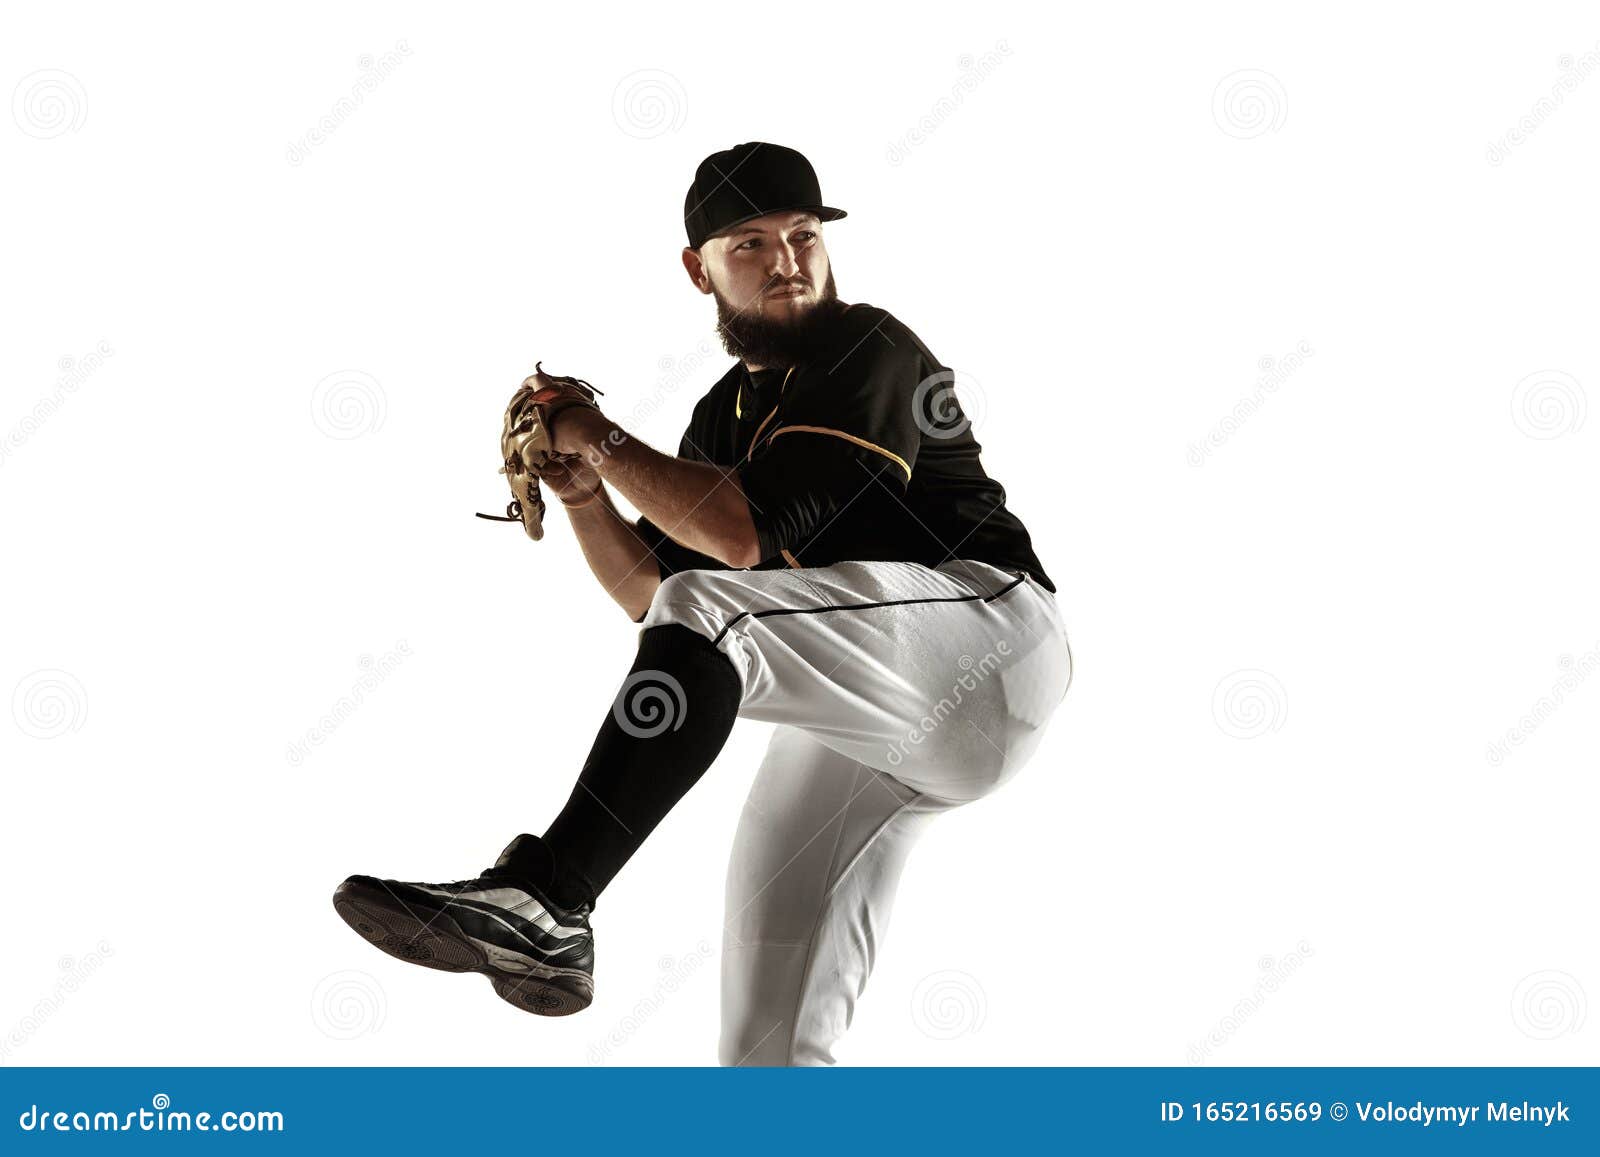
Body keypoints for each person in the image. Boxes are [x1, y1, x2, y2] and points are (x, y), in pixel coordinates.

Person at [333, 141, 1072, 1065]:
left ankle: (550, 900)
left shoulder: (867, 347)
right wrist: (584, 494)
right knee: (761, 1042)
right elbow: (655, 596)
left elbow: (738, 544)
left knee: (715, 605)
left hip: (990, 635)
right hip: (876, 715)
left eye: (804, 235)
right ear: (700, 268)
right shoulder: (721, 417)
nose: (789, 259)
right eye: (751, 243)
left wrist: (594, 432)